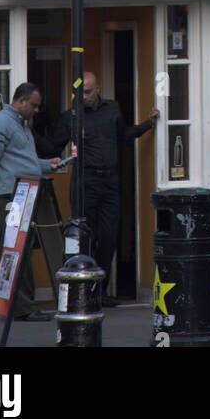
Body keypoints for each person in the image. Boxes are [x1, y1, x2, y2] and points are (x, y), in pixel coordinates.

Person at [51, 72, 159, 305]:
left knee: (109, 238)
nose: (83, 97)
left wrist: (148, 125)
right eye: (78, 93)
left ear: (98, 88)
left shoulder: (112, 109)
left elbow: (124, 135)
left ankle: (99, 291)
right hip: (85, 181)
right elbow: (53, 146)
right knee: (85, 238)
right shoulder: (71, 116)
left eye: (87, 92)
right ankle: (84, 293)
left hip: (110, 181)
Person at [0, 83, 62, 321]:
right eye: (34, 105)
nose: (36, 110)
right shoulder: (2, 122)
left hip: (23, 193)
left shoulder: (20, 125)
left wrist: (49, 165)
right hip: (13, 196)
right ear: (21, 101)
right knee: (19, 250)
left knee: (23, 248)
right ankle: (23, 308)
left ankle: (23, 306)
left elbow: (25, 162)